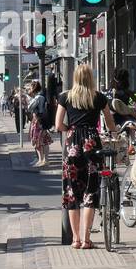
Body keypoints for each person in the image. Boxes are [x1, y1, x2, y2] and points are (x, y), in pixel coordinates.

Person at [54, 63, 117, 250]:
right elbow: (109, 121)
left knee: (72, 192)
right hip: (92, 143)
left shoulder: (65, 96)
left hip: (72, 143)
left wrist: (70, 130)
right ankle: (87, 239)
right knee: (91, 191)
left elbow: (58, 124)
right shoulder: (98, 97)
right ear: (91, 78)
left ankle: (75, 239)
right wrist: (113, 132)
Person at [27, 80, 52, 167]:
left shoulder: (38, 98)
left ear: (33, 88)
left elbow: (29, 107)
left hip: (38, 120)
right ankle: (44, 160)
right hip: (41, 120)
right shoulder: (41, 96)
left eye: (30, 88)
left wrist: (29, 97)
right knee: (43, 141)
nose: (29, 90)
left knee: (38, 141)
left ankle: (42, 160)